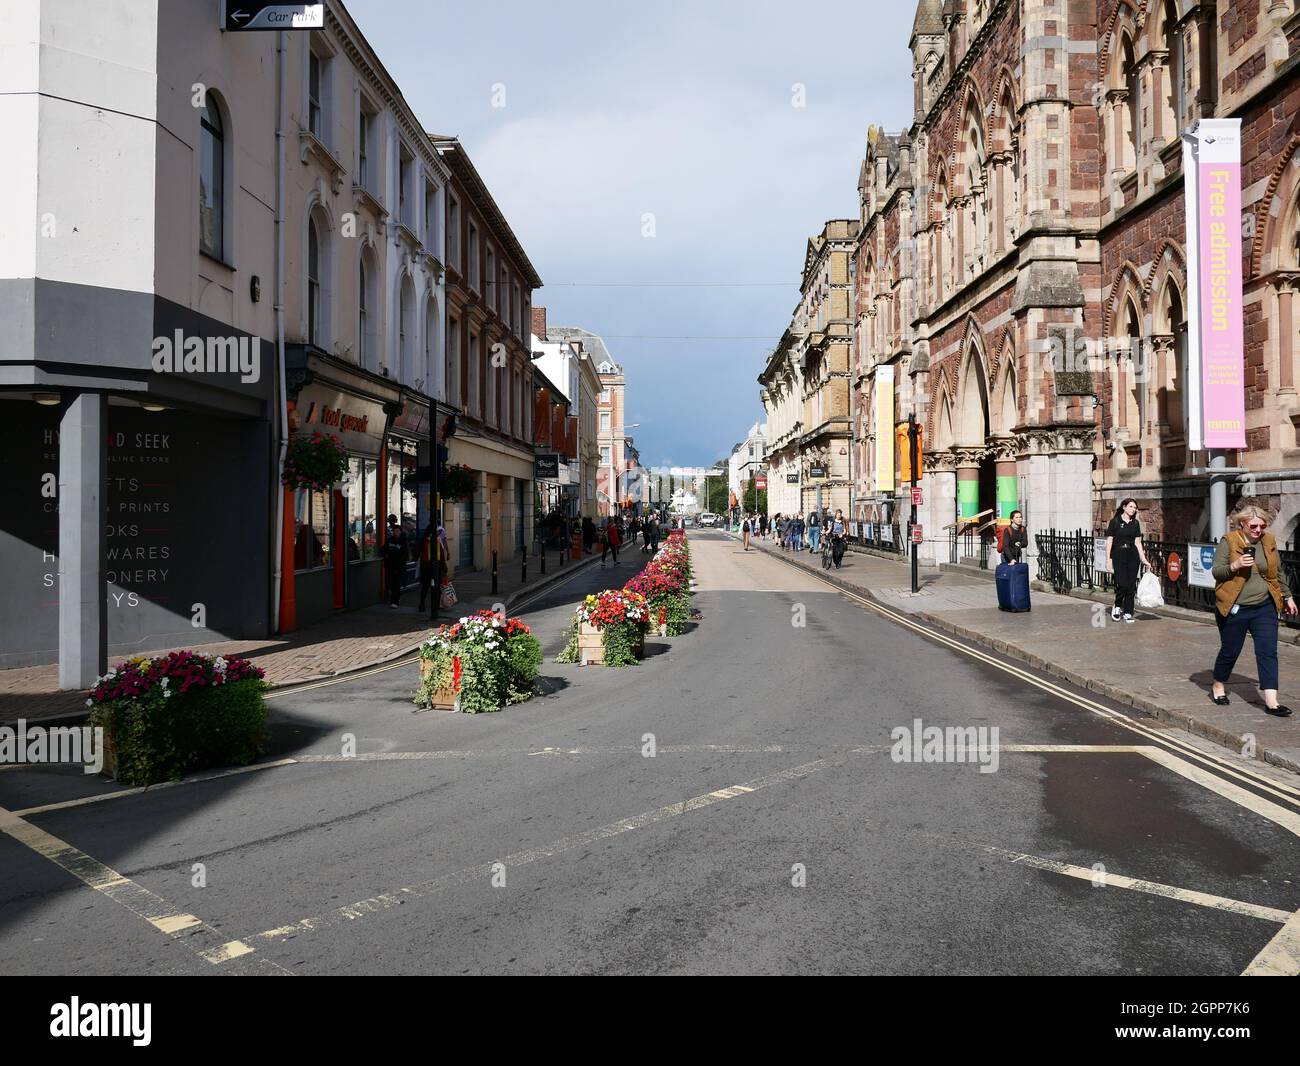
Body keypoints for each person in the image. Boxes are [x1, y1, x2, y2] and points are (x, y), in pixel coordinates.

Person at [1210, 505, 1298, 716]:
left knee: (1268, 651)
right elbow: (1216, 572)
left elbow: (1277, 572)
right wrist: (1236, 565)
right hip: (1235, 607)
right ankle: (1218, 684)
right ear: (1243, 524)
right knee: (1230, 651)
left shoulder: (1268, 541)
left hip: (1264, 606)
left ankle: (1271, 701)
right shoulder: (1229, 541)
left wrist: (1288, 596)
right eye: (1254, 526)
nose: (1259, 530)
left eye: (1262, 525)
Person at [1104, 498, 1150, 623]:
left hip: (1132, 555)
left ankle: (1129, 611)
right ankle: (1117, 606)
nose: (1133, 509)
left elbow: (1138, 543)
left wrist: (1143, 559)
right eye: (1131, 506)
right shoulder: (1115, 522)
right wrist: (1108, 559)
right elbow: (1109, 541)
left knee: (1130, 585)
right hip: (1119, 554)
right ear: (1124, 507)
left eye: (1135, 508)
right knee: (1122, 584)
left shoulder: (1135, 523)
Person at [382, 513, 408, 608]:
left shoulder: (403, 542)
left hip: (397, 567)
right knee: (391, 584)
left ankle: (395, 601)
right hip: (390, 566)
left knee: (396, 584)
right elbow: (383, 550)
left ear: (400, 532)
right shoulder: (390, 540)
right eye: (394, 531)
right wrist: (386, 557)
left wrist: (401, 566)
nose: (395, 532)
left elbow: (404, 556)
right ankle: (393, 598)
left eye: (397, 531)